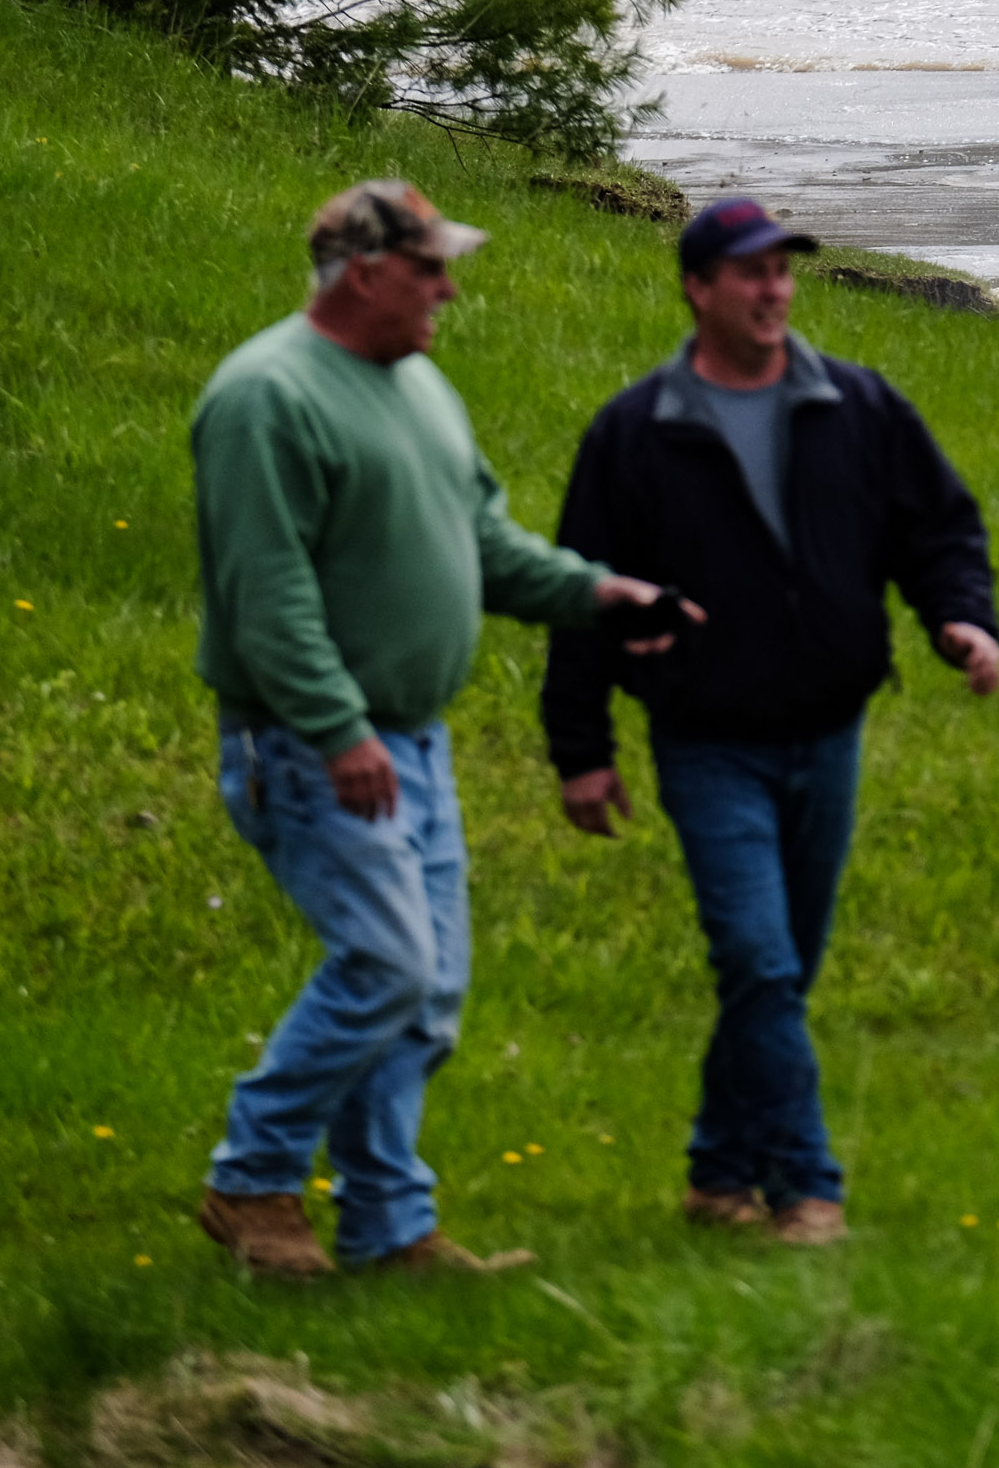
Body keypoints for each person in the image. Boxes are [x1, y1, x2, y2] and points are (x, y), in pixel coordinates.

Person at [191, 180, 681, 1279]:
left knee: (429, 990)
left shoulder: (417, 384)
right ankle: (253, 1177)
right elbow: (268, 598)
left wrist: (601, 593)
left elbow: (485, 544)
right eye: (431, 270)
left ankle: (386, 1225)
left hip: (410, 738)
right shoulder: (266, 397)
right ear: (366, 273)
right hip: (315, 745)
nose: (450, 289)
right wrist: (335, 727)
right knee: (387, 963)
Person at [541, 197, 999, 1249]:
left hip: (829, 730)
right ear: (698, 288)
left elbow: (937, 529)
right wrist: (582, 750)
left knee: (783, 964)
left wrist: (961, 621)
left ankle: (717, 1170)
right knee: (757, 961)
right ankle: (807, 1187)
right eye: (749, 272)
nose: (774, 289)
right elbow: (583, 592)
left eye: (784, 270)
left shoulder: (856, 405)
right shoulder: (638, 430)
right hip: (708, 742)